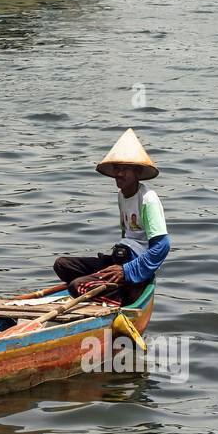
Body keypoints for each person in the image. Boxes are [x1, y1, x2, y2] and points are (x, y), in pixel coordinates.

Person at [53, 128, 171, 304]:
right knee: (62, 264)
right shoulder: (121, 195)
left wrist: (127, 271)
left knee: (75, 286)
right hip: (120, 259)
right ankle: (110, 286)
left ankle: (118, 297)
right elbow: (128, 237)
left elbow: (162, 247)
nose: (119, 174)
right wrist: (117, 266)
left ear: (137, 172)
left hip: (135, 265)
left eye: (125, 169)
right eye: (117, 168)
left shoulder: (147, 199)